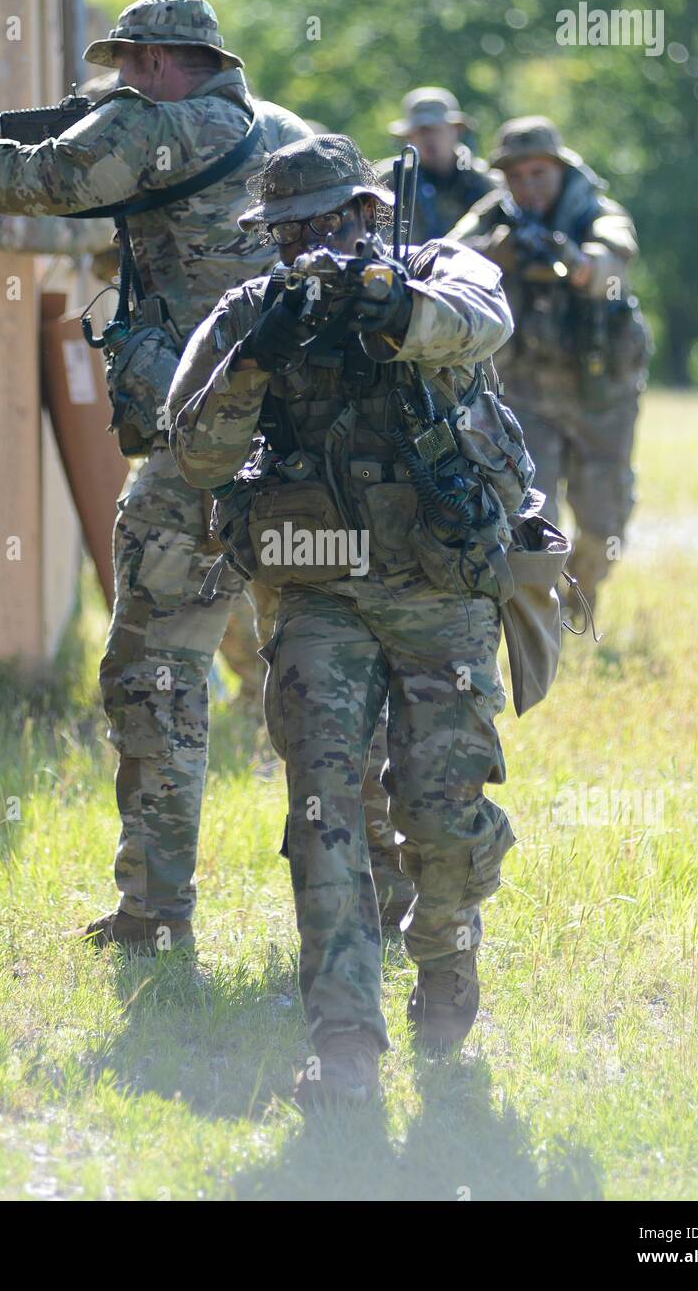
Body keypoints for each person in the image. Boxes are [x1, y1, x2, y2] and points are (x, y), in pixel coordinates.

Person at [0, 0, 312, 955]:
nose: (114, 84)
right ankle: (377, 899)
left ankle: (153, 912)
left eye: (124, 67)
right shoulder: (283, 130)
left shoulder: (156, 121)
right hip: (318, 454)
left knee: (154, 673)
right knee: (328, 679)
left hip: (205, 452)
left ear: (152, 61)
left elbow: (39, 179)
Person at [167, 135, 530, 1105]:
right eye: (289, 234)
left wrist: (389, 307)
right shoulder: (256, 313)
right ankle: (343, 1047)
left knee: (437, 816)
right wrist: (258, 354)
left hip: (435, 585)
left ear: (370, 213)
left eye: (328, 225)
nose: (309, 248)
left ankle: (445, 948)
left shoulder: (433, 269)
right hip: (316, 591)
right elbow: (194, 451)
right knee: (325, 811)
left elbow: (482, 316)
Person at [452, 117, 651, 614]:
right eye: (516, 176)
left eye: (538, 173)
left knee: (604, 521)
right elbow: (445, 256)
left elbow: (616, 253)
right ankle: (544, 616)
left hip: (600, 392)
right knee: (532, 515)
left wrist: (581, 265)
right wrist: (494, 254)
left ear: (561, 169)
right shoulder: (496, 213)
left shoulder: (595, 210)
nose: (528, 186)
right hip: (525, 392)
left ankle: (583, 592)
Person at [378, 87, 497, 243]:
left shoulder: (483, 182)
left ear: (456, 130)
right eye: (420, 132)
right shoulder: (390, 182)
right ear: (409, 137)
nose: (428, 139)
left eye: (435, 130)